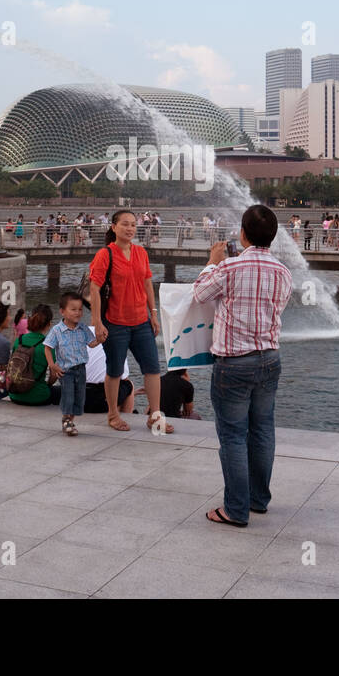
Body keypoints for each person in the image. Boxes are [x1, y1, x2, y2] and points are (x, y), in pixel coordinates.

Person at [192, 205, 293, 528]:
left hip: (234, 362)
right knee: (262, 430)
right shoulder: (283, 272)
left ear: (243, 234)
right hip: (269, 359)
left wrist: (212, 262)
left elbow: (200, 294)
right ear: (273, 238)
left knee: (234, 435)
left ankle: (235, 510)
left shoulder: (231, 268)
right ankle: (257, 500)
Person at [87, 210, 171, 434]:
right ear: (113, 227)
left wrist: (153, 314)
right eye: (125, 224)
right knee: (114, 371)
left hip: (141, 321)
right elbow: (94, 289)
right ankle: (113, 414)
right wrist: (97, 322)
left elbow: (147, 283)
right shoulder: (106, 255)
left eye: (134, 224)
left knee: (152, 369)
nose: (130, 228)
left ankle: (155, 416)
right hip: (115, 322)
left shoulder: (141, 252)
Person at [44, 292, 98, 435]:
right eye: (73, 309)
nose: (78, 313)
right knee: (68, 395)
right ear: (62, 311)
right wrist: (52, 365)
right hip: (65, 371)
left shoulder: (83, 328)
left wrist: (101, 339)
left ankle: (70, 421)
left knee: (79, 396)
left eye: (80, 309)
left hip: (81, 369)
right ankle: (66, 420)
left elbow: (92, 344)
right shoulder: (57, 330)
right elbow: (47, 348)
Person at [5, 304, 56, 406]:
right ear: (49, 324)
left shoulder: (19, 340)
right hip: (37, 397)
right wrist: (48, 385)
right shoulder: (48, 346)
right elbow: (54, 375)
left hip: (14, 394)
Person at [84, 323, 134, 415]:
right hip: (102, 400)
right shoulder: (117, 335)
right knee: (129, 384)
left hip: (79, 397)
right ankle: (126, 416)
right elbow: (123, 377)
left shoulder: (80, 331)